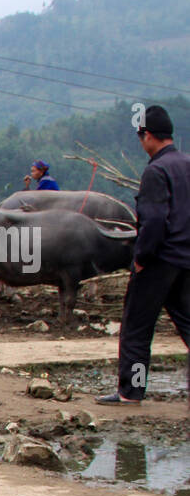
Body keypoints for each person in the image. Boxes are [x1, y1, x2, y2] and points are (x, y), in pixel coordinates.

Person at [98, 105, 190, 406]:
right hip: (185, 261)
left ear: (148, 136)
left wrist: (141, 257)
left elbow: (152, 221)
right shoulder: (187, 164)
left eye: (141, 138)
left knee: (137, 329)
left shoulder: (156, 170)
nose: (141, 144)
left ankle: (131, 391)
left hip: (158, 262)